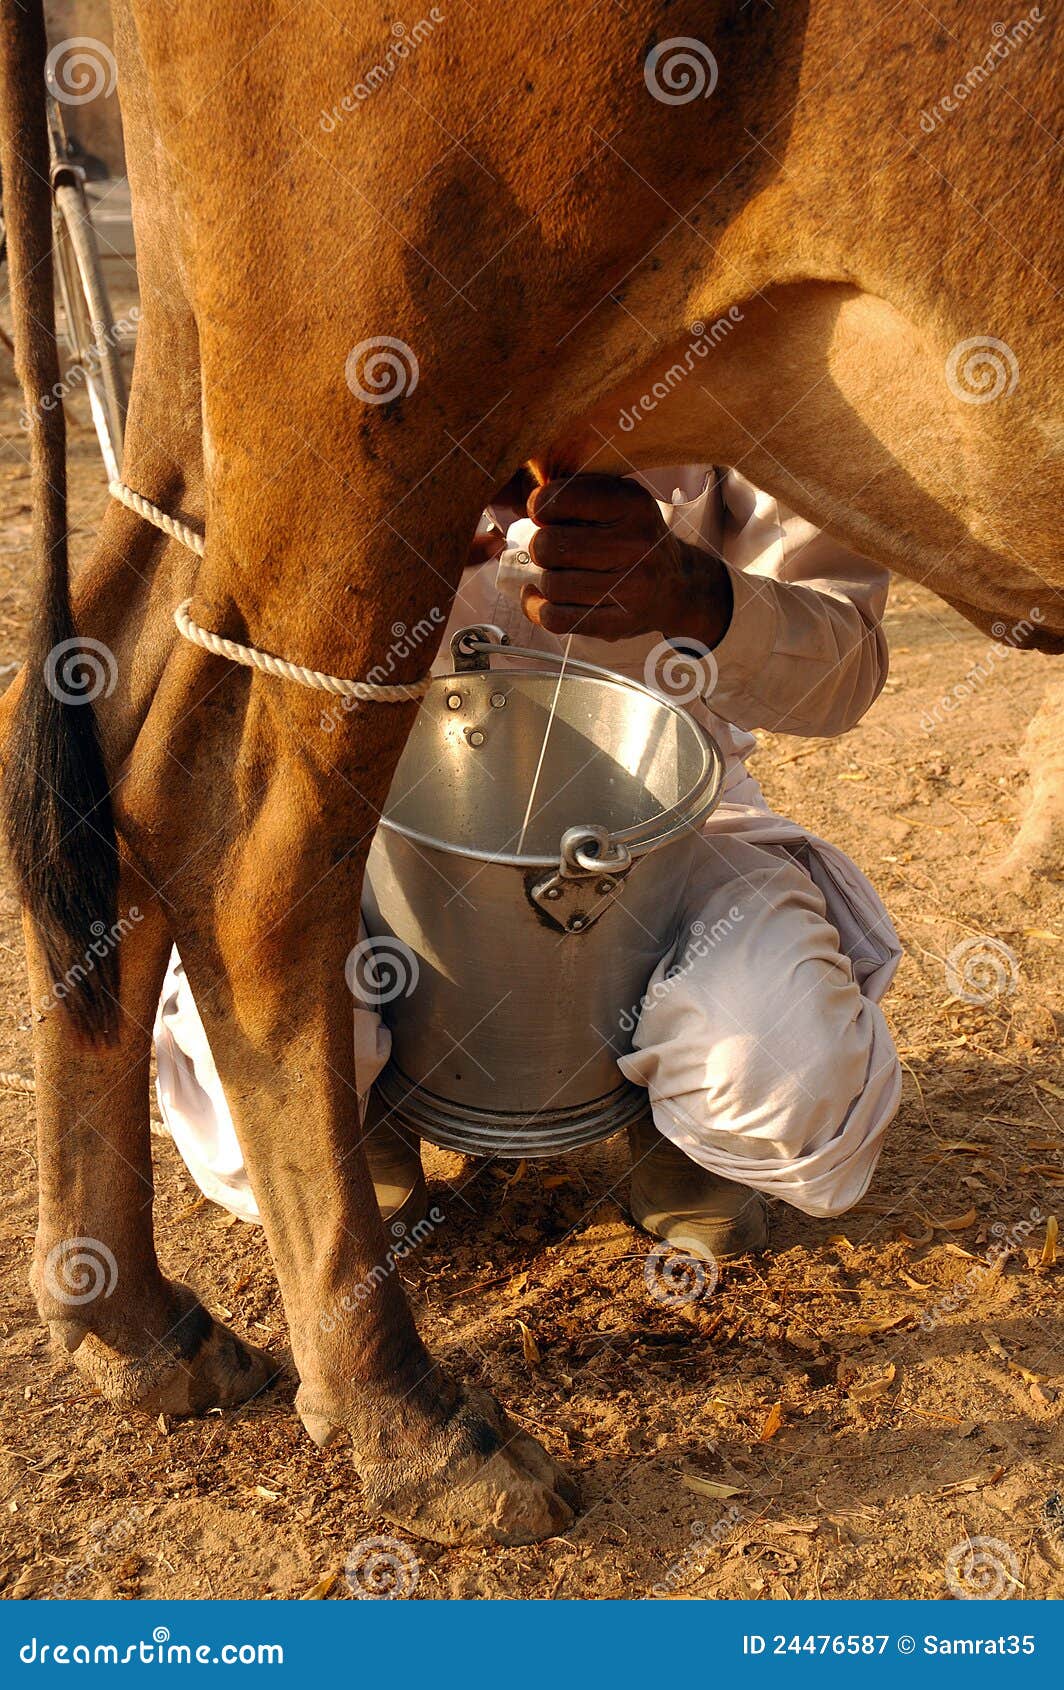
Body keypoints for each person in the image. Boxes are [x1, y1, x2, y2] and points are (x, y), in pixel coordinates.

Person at [154, 466, 902, 1260]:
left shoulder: (737, 361)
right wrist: (375, 551)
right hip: (370, 830)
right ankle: (360, 1105)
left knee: (787, 1080)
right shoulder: (345, 365)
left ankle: (672, 1124)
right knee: (251, 1101)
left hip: (674, 836)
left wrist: (695, 594)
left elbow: (842, 675)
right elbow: (201, 626)